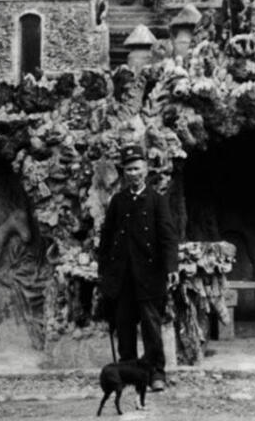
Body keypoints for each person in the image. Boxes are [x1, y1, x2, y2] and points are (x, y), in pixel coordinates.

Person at [98, 146, 179, 391]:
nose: (133, 173)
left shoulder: (157, 200)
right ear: (124, 173)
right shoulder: (118, 201)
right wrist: (104, 271)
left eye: (137, 168)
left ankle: (156, 373)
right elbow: (107, 238)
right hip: (123, 277)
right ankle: (129, 372)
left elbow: (167, 236)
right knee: (124, 327)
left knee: (151, 326)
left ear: (145, 169)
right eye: (128, 169)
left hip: (149, 276)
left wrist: (171, 267)